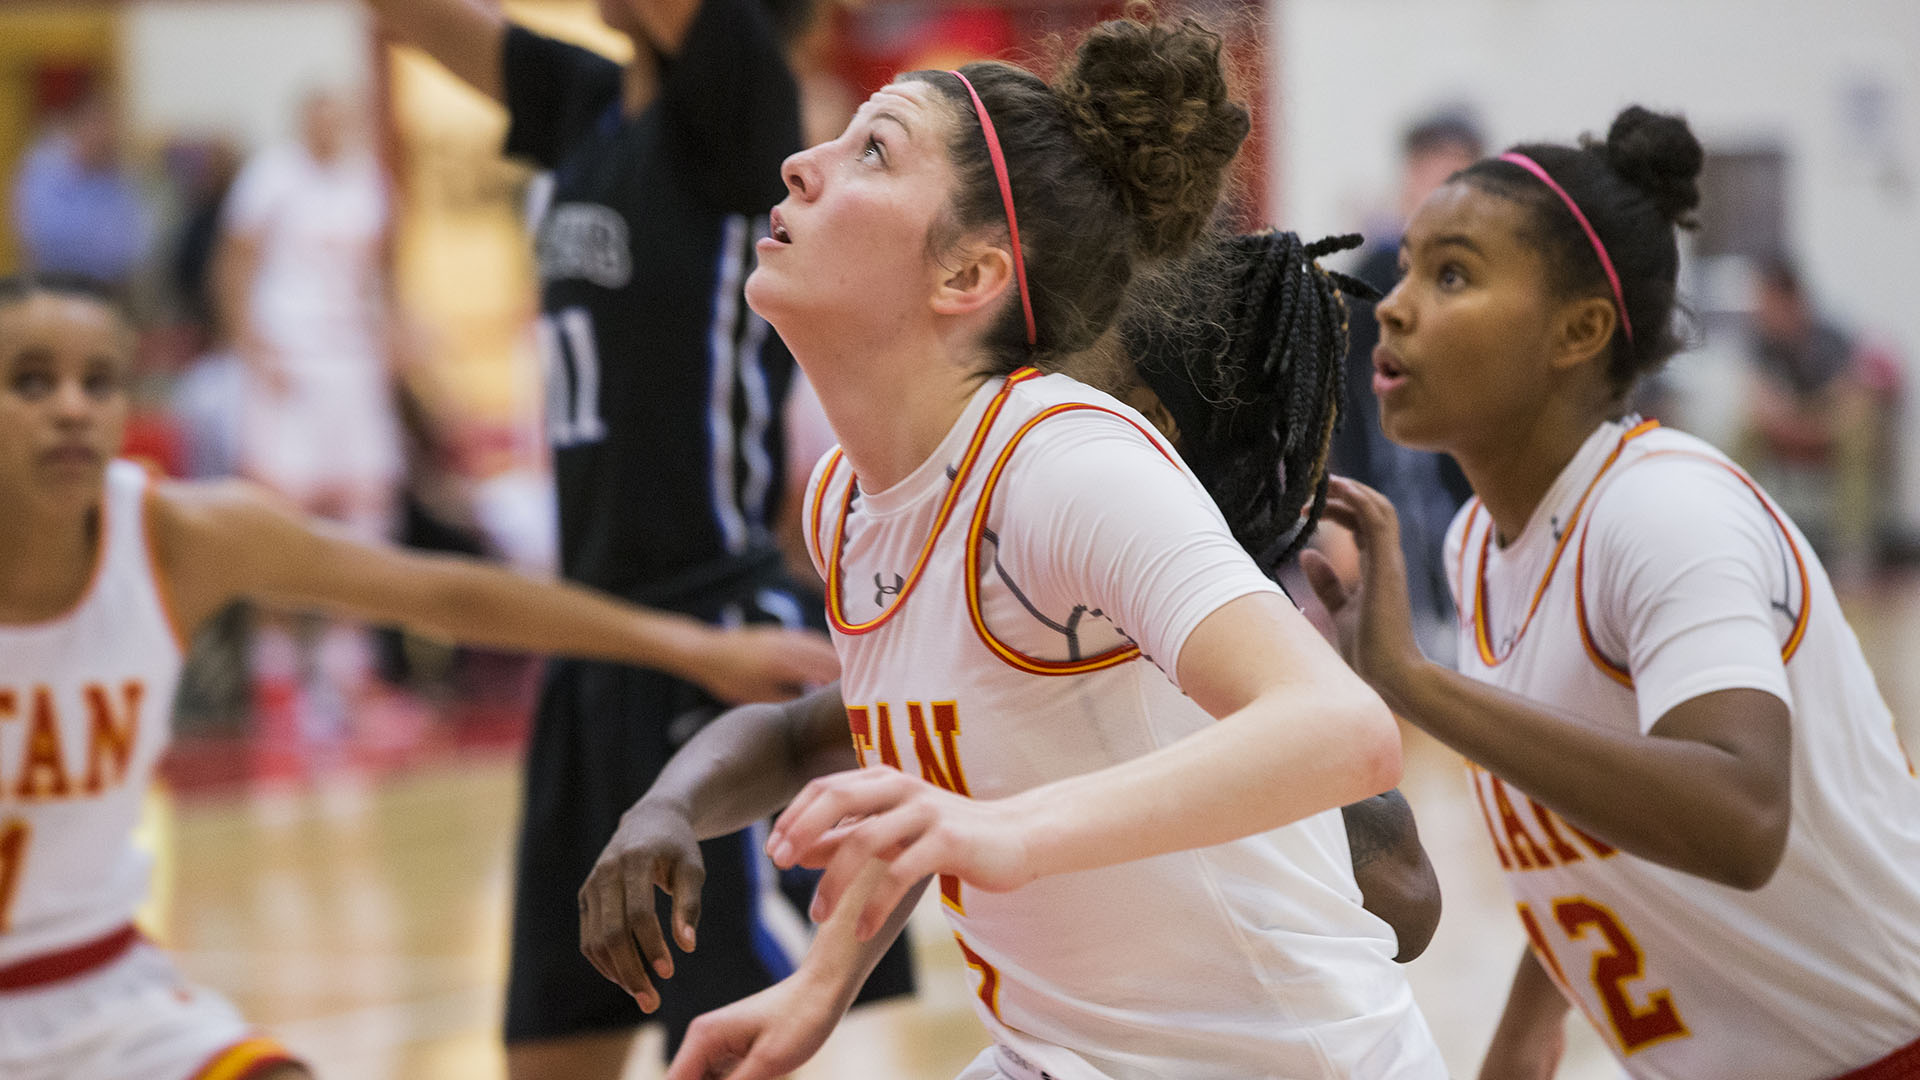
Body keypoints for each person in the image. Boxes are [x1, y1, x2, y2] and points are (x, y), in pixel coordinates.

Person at [650, 15, 1448, 1079]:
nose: (803, 162)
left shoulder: (1059, 463)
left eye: (872, 149)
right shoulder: (849, 499)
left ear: (969, 273)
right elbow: (938, 773)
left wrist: (1008, 836)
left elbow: (1344, 732)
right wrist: (818, 986)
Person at [577, 228, 1444, 1022]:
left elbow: (1406, 895)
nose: (1011, 385)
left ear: (1145, 426)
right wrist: (667, 809)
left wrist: (1265, 812)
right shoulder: (957, 540)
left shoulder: (1145, 605)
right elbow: (804, 736)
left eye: (1048, 370)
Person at [0, 273, 841, 1080]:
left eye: (99, 382)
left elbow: (440, 593)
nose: (72, 408)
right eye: (31, 382)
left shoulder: (177, 538)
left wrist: (692, 646)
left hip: (112, 989)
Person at [1301, 107, 1920, 1079]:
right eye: (1408, 268)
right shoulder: (1478, 543)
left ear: (1579, 329)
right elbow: (1597, 819)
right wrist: (1523, 1034)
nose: (1395, 306)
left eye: (1452, 275)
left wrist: (1415, 683)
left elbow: (1740, 818)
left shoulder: (1663, 509)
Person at [360, 0, 913, 1074]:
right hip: (590, 648)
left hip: (717, 636)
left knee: (736, 1048)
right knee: (553, 1047)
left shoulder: (737, 91)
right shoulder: (586, 102)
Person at [215, 89, 409, 766]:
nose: (330, 125)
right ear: (302, 120)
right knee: (279, 519)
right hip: (288, 362)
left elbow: (380, 275)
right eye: (319, 114)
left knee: (364, 517)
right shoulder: (269, 178)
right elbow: (232, 266)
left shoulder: (369, 184)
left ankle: (347, 674)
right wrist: (250, 346)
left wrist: (393, 335)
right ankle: (276, 681)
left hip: (349, 362)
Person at [1321, 107, 1483, 662]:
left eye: (1454, 181)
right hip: (1390, 490)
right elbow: (1337, 396)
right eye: (1429, 177)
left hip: (1470, 500)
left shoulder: (1491, 282)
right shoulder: (1370, 276)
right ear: (1408, 179)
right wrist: (1337, 507)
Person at [1735, 255, 1901, 584]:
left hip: (1831, 423)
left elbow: (1852, 405)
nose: (1761, 311)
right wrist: (1787, 423)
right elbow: (1760, 401)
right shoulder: (1763, 342)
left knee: (1858, 437)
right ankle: (1738, 527)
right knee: (1742, 430)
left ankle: (1852, 549)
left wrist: (1808, 428)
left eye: (1766, 301)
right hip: (1793, 422)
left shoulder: (1831, 337)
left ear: (1790, 300)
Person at [10, 90, 153, 291]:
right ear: (78, 125)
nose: (106, 135)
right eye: (97, 125)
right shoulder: (45, 167)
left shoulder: (119, 175)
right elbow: (43, 233)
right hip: (51, 286)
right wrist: (95, 245)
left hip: (110, 288)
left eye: (110, 127)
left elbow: (134, 245)